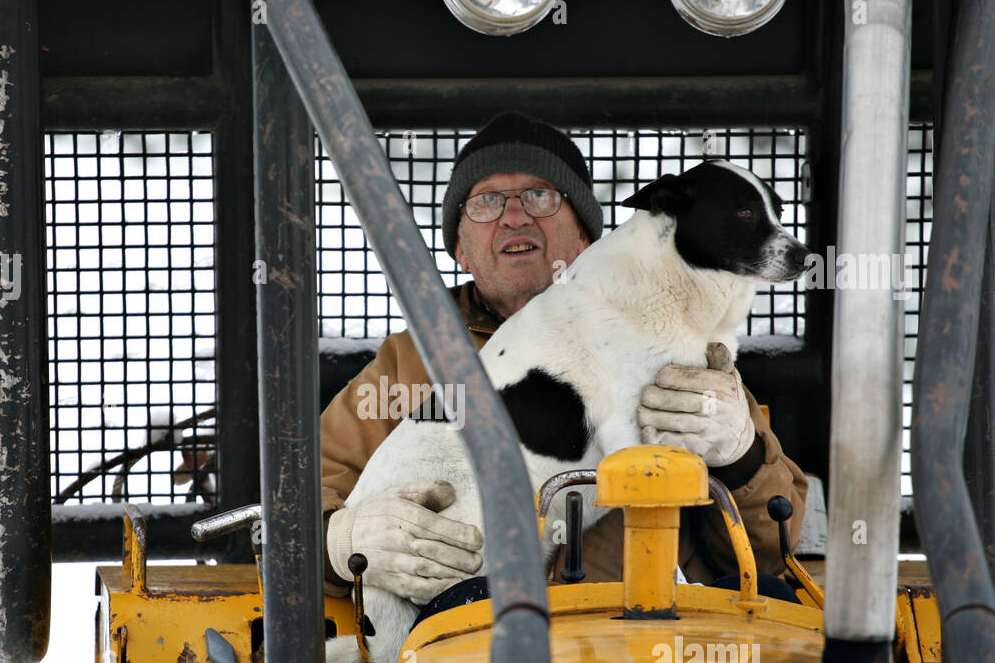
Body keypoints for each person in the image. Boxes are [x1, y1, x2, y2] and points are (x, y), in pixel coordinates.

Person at [318, 112, 807, 602]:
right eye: (487, 201)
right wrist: (340, 545)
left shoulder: (688, 357)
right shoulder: (408, 363)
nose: (515, 216)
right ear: (458, 249)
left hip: (648, 645)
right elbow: (296, 505)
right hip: (472, 647)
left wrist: (738, 457)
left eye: (540, 195)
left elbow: (773, 550)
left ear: (585, 235)